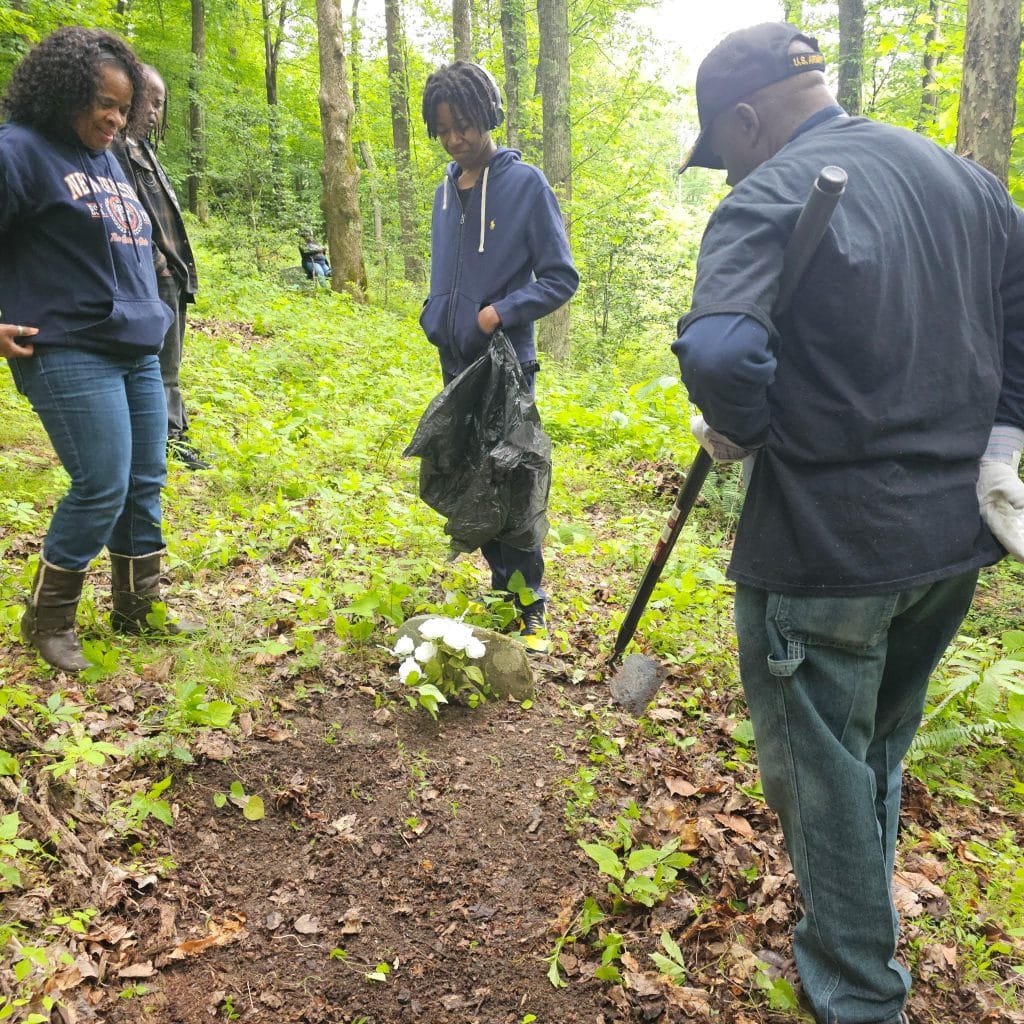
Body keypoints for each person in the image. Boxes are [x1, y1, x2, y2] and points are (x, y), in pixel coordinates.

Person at [672, 23, 1024, 1024]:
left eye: (720, 149)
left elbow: (722, 353)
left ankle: (858, 994)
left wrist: (736, 429)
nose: (722, 171)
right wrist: (998, 447)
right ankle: (859, 932)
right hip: (946, 548)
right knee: (871, 753)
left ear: (745, 119)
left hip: (825, 549)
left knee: (823, 778)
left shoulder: (768, 193)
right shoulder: (958, 183)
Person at [0, 27, 198, 673]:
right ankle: (49, 617)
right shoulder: (18, 153)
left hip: (137, 344)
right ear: (62, 94)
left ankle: (139, 606)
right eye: (103, 104)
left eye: (123, 105)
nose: (115, 118)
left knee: (145, 480)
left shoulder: (110, 157)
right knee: (102, 483)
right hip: (66, 348)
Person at [419, 61, 578, 642]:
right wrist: (436, 312)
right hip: (456, 361)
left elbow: (561, 277)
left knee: (511, 477)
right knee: (469, 475)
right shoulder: (444, 188)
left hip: (507, 362)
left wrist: (499, 313)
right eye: (443, 129)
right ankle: (499, 587)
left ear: (488, 116)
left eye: (464, 125)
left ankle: (527, 597)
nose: (456, 139)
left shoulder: (525, 184)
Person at [113, 65, 207, 471]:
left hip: (170, 275)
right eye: (150, 101)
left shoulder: (144, 150)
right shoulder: (114, 152)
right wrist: (152, 260)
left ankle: (173, 433)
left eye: (161, 104)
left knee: (171, 360)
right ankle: (165, 439)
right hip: (148, 279)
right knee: (159, 362)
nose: (155, 112)